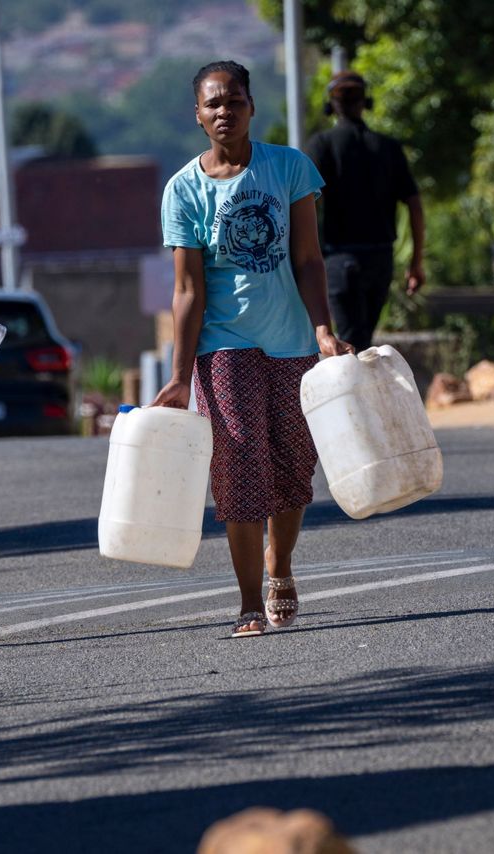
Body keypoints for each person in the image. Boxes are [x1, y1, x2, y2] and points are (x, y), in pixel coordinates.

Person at [153, 60, 353, 638]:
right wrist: (179, 375)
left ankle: (279, 566)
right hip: (224, 347)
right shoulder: (183, 190)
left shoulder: (289, 167)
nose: (224, 112)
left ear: (251, 106)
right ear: (198, 114)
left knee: (293, 466)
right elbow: (188, 289)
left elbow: (310, 260)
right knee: (240, 467)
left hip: (292, 341)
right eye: (213, 104)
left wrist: (322, 330)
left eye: (234, 101)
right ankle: (246, 603)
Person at [305, 69, 426, 352]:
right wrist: (415, 262)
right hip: (381, 259)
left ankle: (353, 397)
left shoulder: (321, 146)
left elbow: (304, 202)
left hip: (339, 259)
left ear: (330, 105)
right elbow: (415, 206)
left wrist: (301, 259)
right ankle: (362, 396)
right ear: (365, 102)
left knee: (348, 343)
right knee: (362, 341)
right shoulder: (388, 147)